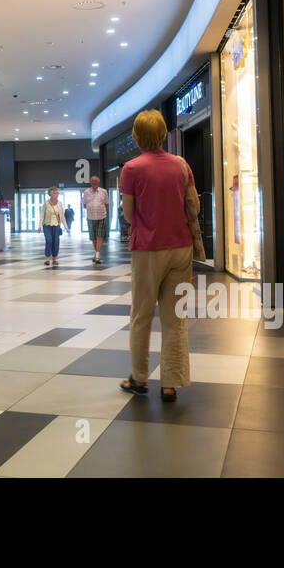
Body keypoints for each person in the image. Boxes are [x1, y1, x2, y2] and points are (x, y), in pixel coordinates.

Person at [118, 110, 203, 402]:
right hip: (181, 248)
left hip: (148, 250)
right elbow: (193, 206)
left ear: (137, 136)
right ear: (164, 134)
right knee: (174, 317)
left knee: (141, 315)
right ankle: (171, 382)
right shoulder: (181, 165)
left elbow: (129, 214)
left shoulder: (131, 169)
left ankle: (139, 378)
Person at [82, 175, 109, 264]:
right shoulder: (86, 192)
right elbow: (84, 205)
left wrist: (103, 211)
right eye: (92, 182)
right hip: (90, 217)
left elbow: (106, 204)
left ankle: (97, 256)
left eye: (96, 182)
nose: (94, 183)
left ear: (98, 182)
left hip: (101, 216)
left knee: (99, 236)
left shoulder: (104, 192)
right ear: (91, 182)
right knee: (93, 237)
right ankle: (96, 253)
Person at [39, 186, 65, 267]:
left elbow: (62, 216)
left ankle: (54, 258)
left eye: (57, 193)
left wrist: (66, 227)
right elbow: (42, 215)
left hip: (56, 225)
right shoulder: (46, 203)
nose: (57, 194)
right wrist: (39, 226)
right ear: (50, 194)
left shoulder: (60, 203)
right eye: (55, 193)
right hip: (47, 225)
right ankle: (47, 258)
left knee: (56, 242)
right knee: (49, 240)